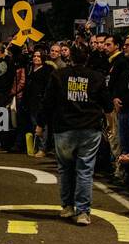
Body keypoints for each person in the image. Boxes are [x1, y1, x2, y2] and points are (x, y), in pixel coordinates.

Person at [38, 53, 112, 226]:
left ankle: (67, 206)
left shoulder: (59, 75)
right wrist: (110, 125)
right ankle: (83, 212)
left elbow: (47, 101)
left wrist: (40, 125)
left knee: (65, 168)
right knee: (85, 170)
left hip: (64, 128)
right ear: (87, 59)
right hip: (89, 128)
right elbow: (108, 105)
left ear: (70, 58)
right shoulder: (97, 77)